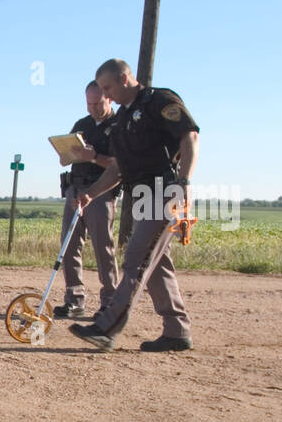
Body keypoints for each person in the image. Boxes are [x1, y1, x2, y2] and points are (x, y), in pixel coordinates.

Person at [69, 58, 199, 352]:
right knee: (156, 265)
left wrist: (184, 182)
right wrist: (91, 192)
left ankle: (106, 328)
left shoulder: (158, 101)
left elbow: (189, 135)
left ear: (125, 79)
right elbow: (116, 169)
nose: (106, 95)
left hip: (164, 191)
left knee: (136, 258)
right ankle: (177, 331)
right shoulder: (122, 122)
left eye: (108, 87)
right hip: (140, 194)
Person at [55, 81, 119, 318]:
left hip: (101, 192)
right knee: (69, 245)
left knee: (103, 247)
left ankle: (110, 303)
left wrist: (93, 157)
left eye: (97, 103)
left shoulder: (119, 125)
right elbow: (66, 158)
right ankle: (74, 300)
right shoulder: (82, 124)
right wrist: (67, 154)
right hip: (75, 188)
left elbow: (119, 165)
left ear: (109, 98)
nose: (92, 108)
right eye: (89, 103)